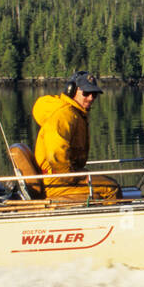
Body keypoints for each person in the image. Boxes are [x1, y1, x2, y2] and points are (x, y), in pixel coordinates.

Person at [32, 70, 121, 202]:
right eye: (86, 93)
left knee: (107, 182)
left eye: (94, 94)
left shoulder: (75, 113)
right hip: (55, 182)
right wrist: (73, 178)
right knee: (111, 189)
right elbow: (55, 154)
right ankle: (114, 221)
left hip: (62, 176)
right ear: (72, 91)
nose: (90, 98)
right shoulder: (64, 115)